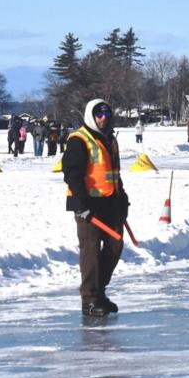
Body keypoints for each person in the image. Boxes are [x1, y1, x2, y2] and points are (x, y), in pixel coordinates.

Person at [62, 99, 130, 317]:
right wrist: (81, 206)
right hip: (88, 206)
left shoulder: (110, 139)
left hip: (111, 203)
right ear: (91, 116)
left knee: (115, 245)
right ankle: (89, 300)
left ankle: (99, 292)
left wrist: (122, 199)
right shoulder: (79, 140)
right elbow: (72, 175)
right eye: (99, 115)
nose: (103, 119)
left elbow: (114, 173)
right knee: (90, 250)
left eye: (107, 115)